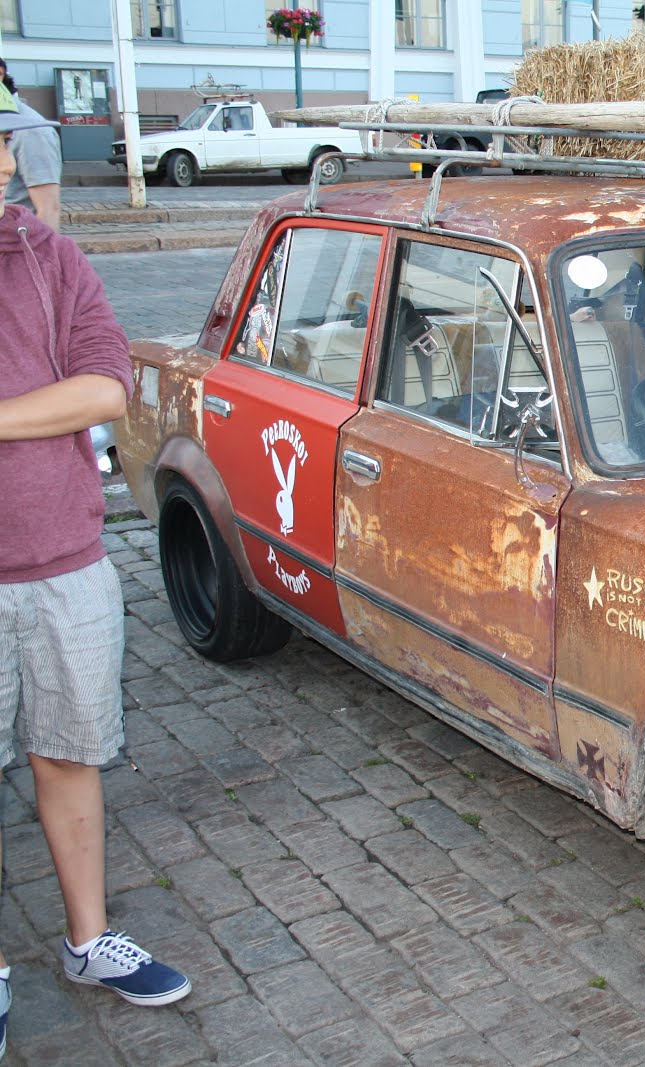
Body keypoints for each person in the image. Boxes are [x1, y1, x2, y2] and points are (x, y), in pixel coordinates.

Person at [0, 86, 192, 1059]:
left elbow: (106, 385)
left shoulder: (50, 257)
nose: (5, 164)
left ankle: (88, 941)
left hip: (66, 559)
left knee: (69, 754)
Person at [0, 60, 62, 231]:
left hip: (16, 240)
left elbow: (49, 209)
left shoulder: (32, 130)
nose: (7, 166)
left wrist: (41, 248)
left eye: (6, 141)